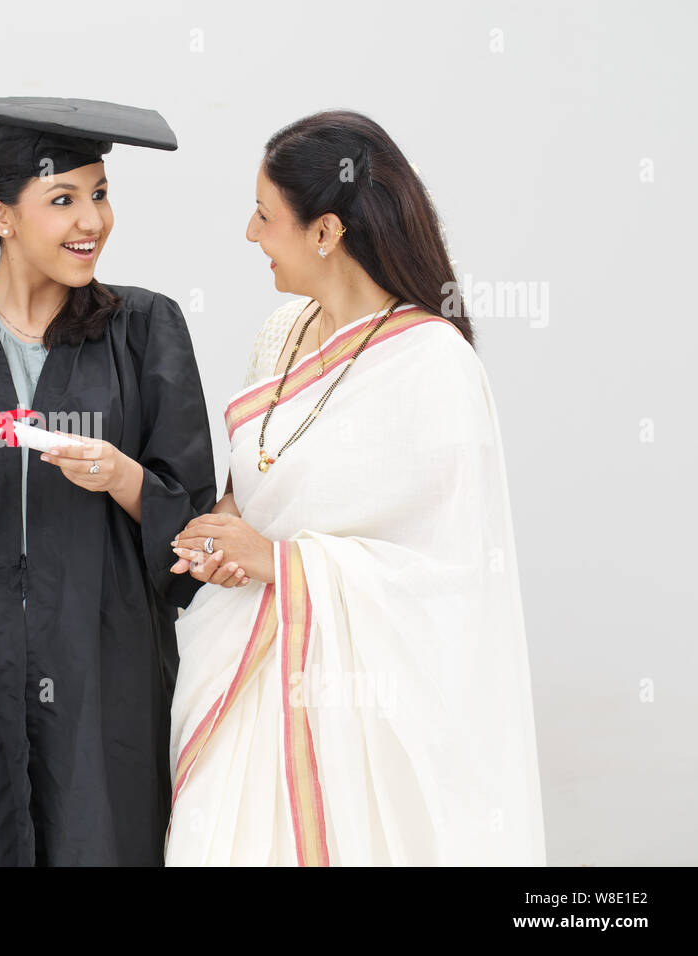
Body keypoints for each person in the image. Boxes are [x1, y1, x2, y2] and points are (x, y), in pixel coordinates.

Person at [164, 110, 546, 865]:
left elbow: (450, 579)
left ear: (325, 232)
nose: (249, 232)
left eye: (265, 214)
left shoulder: (433, 364)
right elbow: (257, 479)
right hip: (246, 671)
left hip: (358, 704)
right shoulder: (281, 335)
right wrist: (221, 535)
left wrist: (279, 562)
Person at [0, 98, 217, 865]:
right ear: (0, 215)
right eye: (63, 199)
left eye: (100, 194)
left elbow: (195, 526)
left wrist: (124, 476)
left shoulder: (145, 329)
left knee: (103, 837)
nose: (92, 220)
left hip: (105, 658)